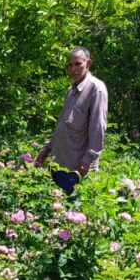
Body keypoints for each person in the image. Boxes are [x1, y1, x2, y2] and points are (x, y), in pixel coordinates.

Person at [35, 47, 108, 196]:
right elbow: (62, 126)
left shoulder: (96, 89)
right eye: (70, 65)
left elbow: (98, 129)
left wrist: (87, 161)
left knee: (73, 214)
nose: (73, 69)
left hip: (77, 168)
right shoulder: (71, 91)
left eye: (78, 64)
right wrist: (46, 150)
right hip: (58, 164)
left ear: (88, 64)